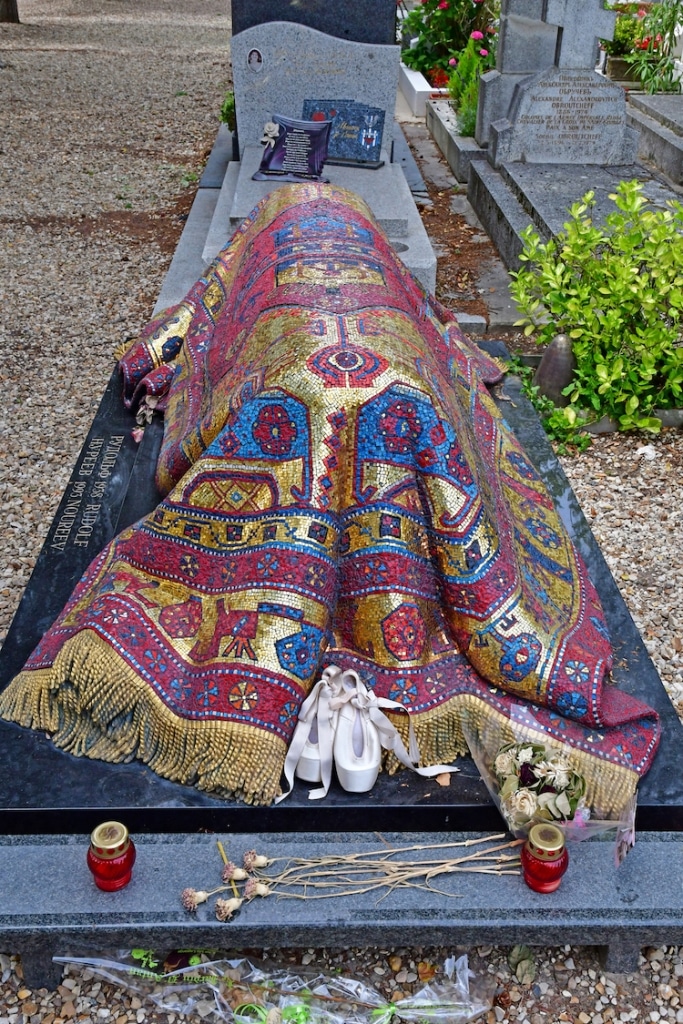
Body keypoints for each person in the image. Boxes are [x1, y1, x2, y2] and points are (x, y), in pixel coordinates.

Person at [0, 183, 659, 811]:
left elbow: (210, 302)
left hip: (367, 371)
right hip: (308, 359)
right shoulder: (278, 216)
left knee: (364, 394)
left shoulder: (295, 220)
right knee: (334, 389)